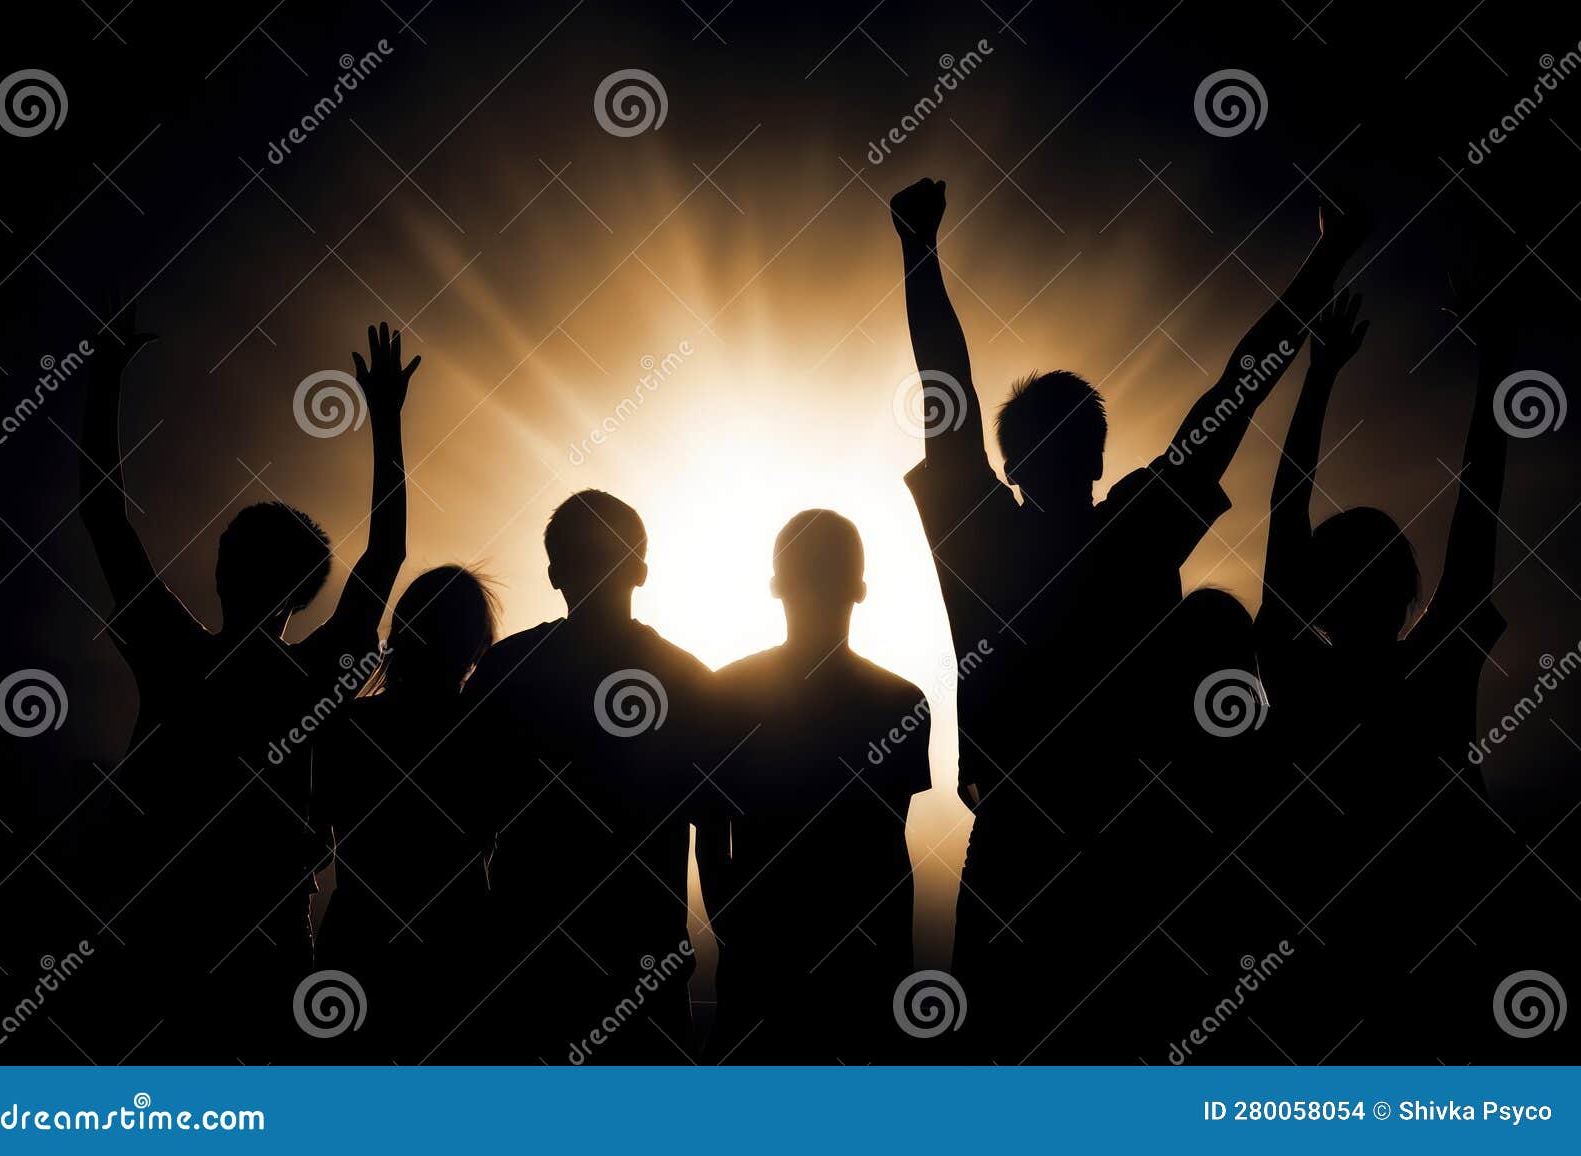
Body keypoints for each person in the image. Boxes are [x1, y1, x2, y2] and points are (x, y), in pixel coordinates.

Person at [888, 176, 1369, 1061]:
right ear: (1099, 457)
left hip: (1033, 852)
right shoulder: (1138, 527)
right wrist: (1328, 253)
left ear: (1013, 464)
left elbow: (944, 382)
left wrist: (918, 248)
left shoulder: (983, 537)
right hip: (1139, 853)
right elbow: (1239, 387)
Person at [79, 316, 418, 1061]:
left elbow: (103, 516)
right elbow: (386, 553)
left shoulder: (177, 655)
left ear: (224, 573)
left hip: (162, 935)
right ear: (302, 593)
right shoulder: (309, 677)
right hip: (255, 940)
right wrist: (386, 420)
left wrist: (103, 380)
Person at [1254, 271, 1517, 1060]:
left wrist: (1320, 377)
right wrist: (1496, 366)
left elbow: (1285, 514)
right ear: (1406, 591)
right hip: (1449, 952)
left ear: (1318, 594)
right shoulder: (1435, 668)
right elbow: (1478, 510)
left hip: (1331, 967)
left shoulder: (1301, 675)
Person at [457, 491, 715, 1064]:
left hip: (531, 972)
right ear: (641, 570)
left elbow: (464, 821)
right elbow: (717, 832)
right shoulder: (690, 680)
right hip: (643, 970)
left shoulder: (506, 670)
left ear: (554, 573)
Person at [699, 510, 930, 1063]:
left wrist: (736, 933)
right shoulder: (901, 702)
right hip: (857, 967)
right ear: (861, 589)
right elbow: (888, 845)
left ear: (775, 585)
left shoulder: (727, 692)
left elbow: (710, 836)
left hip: (765, 958)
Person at [309, 564, 500, 1063]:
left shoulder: (347, 726)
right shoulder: (491, 735)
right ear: (475, 647)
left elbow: (313, 843)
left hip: (357, 947)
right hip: (456, 956)